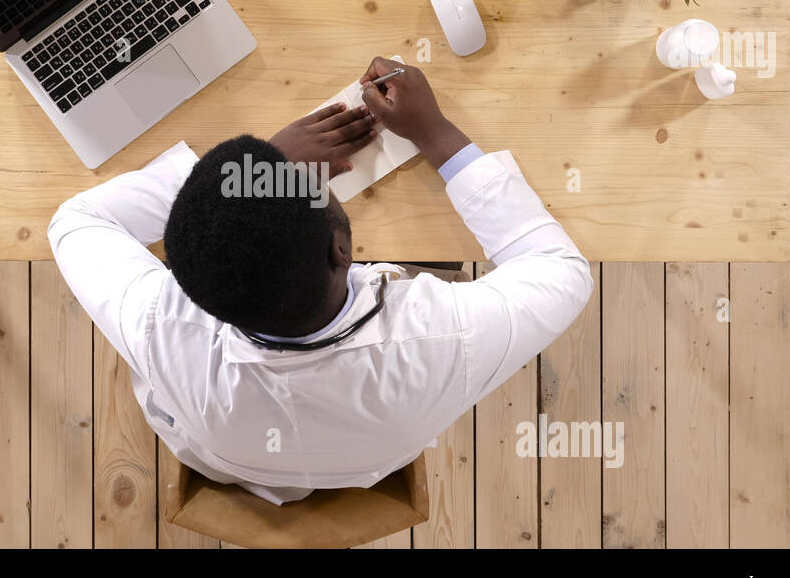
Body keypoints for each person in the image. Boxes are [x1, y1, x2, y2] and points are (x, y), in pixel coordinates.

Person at [49, 57, 593, 504]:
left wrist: (257, 172)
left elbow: (75, 220)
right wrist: (434, 131)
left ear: (183, 280)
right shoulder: (442, 339)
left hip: (222, 452)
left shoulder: (158, 324)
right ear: (343, 250)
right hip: (364, 459)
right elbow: (561, 273)